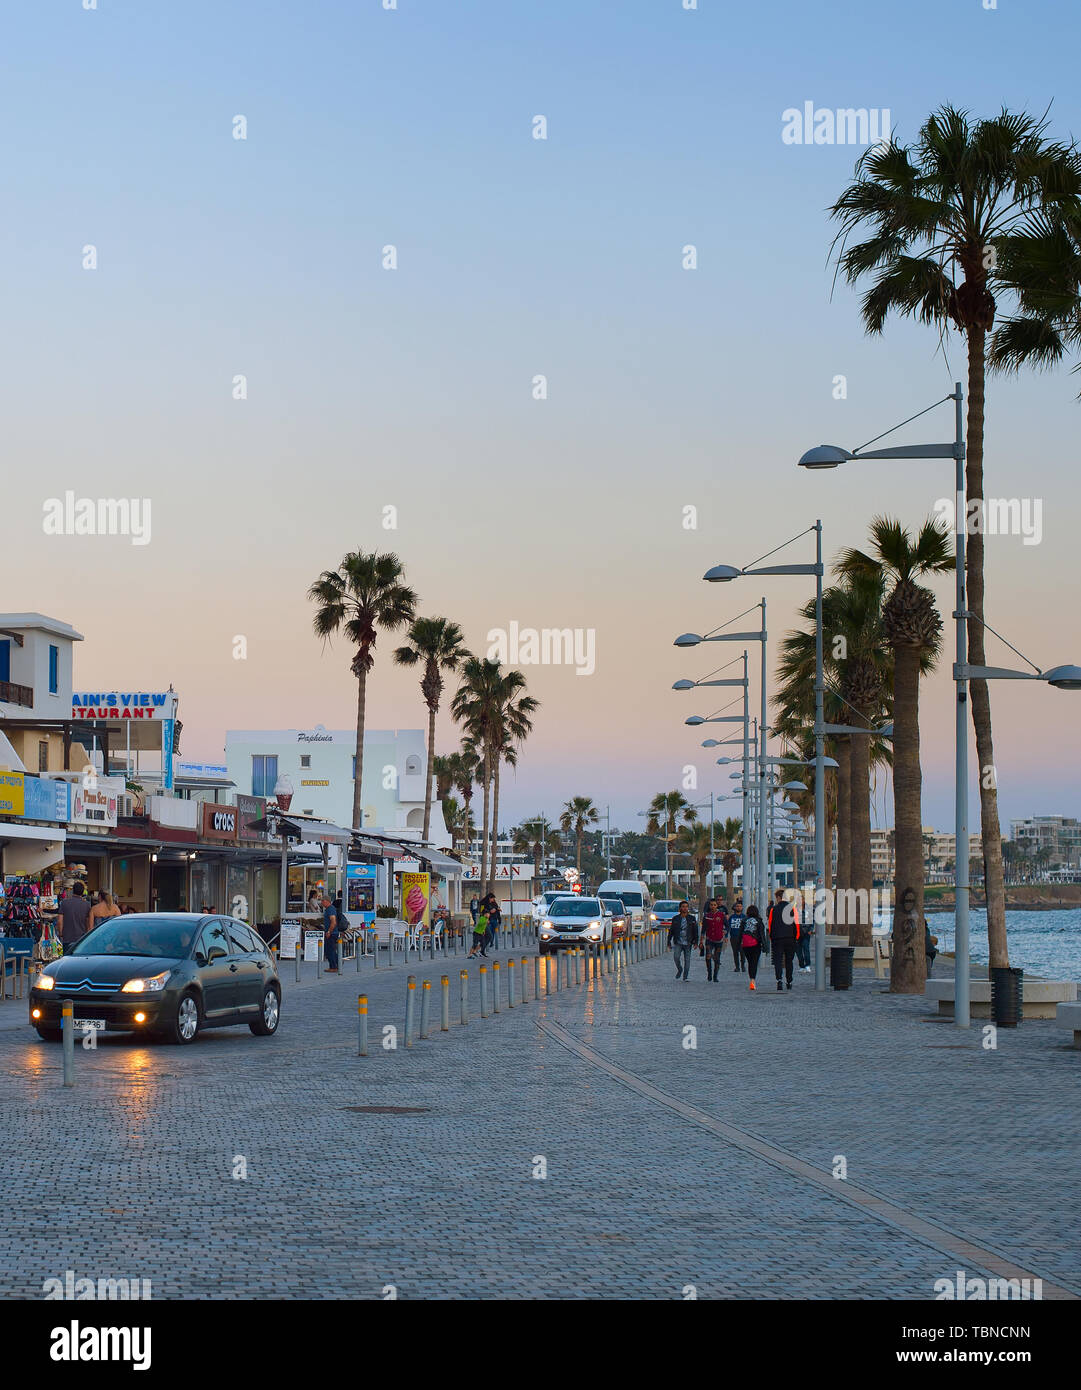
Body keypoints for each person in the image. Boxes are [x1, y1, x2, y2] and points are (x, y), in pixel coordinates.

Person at [768, 888, 799, 992]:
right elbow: (797, 924)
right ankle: (789, 982)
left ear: (778, 897)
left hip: (777, 938)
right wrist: (796, 937)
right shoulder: (792, 909)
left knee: (778, 960)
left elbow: (770, 924)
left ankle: (779, 981)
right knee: (789, 961)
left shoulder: (773, 909)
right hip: (790, 938)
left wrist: (771, 937)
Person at [667, 900, 698, 982]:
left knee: (687, 960)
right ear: (680, 908)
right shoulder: (676, 918)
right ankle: (680, 969)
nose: (685, 908)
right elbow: (671, 931)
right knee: (676, 957)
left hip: (688, 942)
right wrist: (669, 941)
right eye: (683, 906)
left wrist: (696, 942)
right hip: (678, 942)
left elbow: (695, 931)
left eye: (686, 907)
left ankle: (685, 976)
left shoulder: (692, 918)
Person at [58, 882, 91, 955]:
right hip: (81, 938)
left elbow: (60, 921)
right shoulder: (87, 905)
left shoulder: (64, 903)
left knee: (67, 961)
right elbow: (88, 923)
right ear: (82, 892)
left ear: (73, 890)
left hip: (67, 937)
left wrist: (61, 933)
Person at [740, 904, 766, 991]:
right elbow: (762, 934)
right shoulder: (759, 921)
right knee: (754, 963)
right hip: (756, 945)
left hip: (746, 945)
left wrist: (738, 945)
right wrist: (765, 946)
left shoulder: (744, 920)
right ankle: (752, 980)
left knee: (750, 962)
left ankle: (751, 979)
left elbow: (740, 933)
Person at [702, 899, 728, 982]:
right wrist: (701, 938)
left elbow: (727, 925)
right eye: (711, 905)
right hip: (709, 938)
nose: (713, 906)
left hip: (719, 939)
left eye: (714, 905)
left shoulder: (721, 915)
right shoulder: (706, 916)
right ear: (709, 906)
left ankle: (715, 975)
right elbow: (703, 928)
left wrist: (725, 932)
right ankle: (709, 973)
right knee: (708, 956)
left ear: (717, 906)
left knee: (717, 958)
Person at [793, 892, 811, 972]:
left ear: (803, 900)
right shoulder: (794, 909)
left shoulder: (808, 909)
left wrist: (811, 930)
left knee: (806, 949)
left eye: (801, 899)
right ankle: (802, 966)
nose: (800, 901)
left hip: (806, 932)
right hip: (797, 933)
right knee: (798, 951)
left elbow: (812, 920)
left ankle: (807, 965)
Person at [727, 897, 746, 972]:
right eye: (737, 906)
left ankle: (743, 966)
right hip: (734, 937)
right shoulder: (732, 917)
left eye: (740, 906)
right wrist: (726, 936)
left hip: (742, 938)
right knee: (735, 953)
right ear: (735, 907)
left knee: (742, 952)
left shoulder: (744, 917)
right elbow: (728, 927)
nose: (739, 907)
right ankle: (737, 967)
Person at [322, 896, 340, 973]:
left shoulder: (330, 909)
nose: (321, 903)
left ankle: (333, 966)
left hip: (332, 933)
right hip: (332, 932)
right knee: (331, 949)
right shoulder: (329, 909)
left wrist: (329, 931)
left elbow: (333, 922)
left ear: (326, 901)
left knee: (329, 950)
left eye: (322, 901)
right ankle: (338, 962)